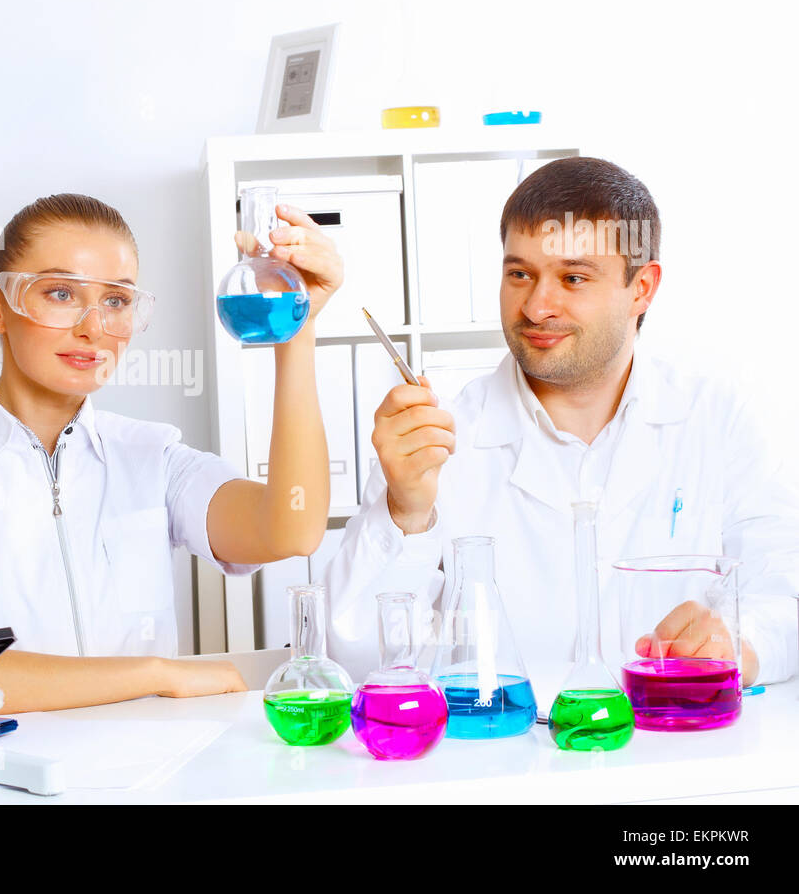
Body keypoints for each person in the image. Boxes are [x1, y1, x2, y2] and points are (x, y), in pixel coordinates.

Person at [326, 157, 798, 687]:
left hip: (676, 748)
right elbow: (359, 658)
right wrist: (405, 513)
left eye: (573, 278)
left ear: (641, 288)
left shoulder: (717, 422)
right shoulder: (439, 441)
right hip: (505, 758)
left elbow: (784, 592)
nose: (536, 306)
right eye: (519, 274)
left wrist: (740, 641)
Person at [0, 192, 343, 711]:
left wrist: (298, 330)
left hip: (148, 777)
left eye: (115, 300)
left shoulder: (154, 457)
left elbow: (292, 528)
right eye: (61, 293)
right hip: (0, 780)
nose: (93, 328)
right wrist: (156, 674)